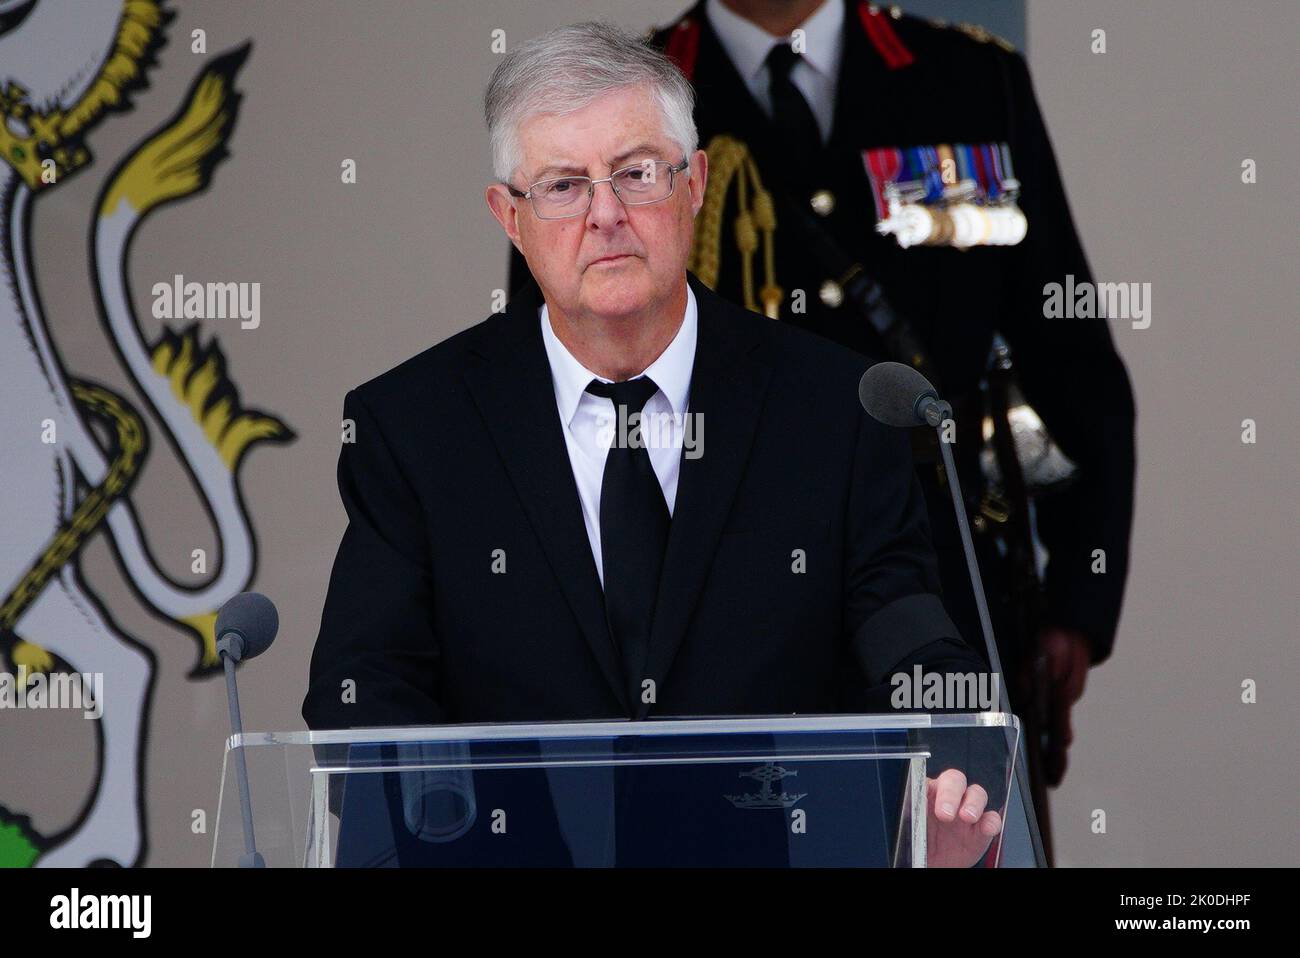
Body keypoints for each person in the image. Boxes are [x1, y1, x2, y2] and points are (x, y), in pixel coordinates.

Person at [305, 20, 1001, 866]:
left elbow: (912, 648)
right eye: (563, 185)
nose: (605, 215)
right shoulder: (416, 429)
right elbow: (363, 697)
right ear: (509, 218)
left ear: (694, 183)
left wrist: (948, 774)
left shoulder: (838, 410)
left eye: (636, 173)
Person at [507, 0, 1136, 861]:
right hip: (703, 607)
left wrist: (1075, 604)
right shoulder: (615, 104)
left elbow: (1071, 363)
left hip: (939, 601)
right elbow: (548, 383)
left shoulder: (970, 81)